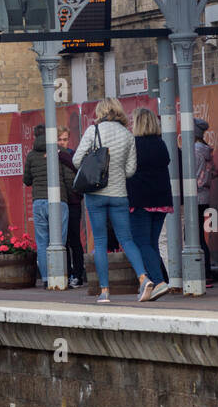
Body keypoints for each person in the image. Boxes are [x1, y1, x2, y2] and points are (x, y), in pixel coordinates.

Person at [72, 97, 150, 304]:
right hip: (119, 195)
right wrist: (116, 171)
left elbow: (76, 160)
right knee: (126, 239)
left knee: (100, 241)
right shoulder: (128, 135)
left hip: (96, 195)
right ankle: (143, 278)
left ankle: (105, 292)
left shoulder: (93, 131)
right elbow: (131, 170)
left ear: (100, 112)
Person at [126, 107, 172, 302]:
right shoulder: (161, 144)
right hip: (161, 201)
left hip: (140, 201)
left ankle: (159, 282)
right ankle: (152, 285)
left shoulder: (133, 145)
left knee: (141, 243)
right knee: (151, 243)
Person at [23, 125, 74, 286]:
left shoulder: (31, 156)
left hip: (39, 202)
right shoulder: (59, 152)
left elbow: (27, 180)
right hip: (59, 201)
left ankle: (46, 279)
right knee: (60, 241)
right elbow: (69, 178)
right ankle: (60, 278)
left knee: (42, 242)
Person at [57, 126, 85, 287]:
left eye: (65, 139)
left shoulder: (72, 155)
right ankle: (66, 273)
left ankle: (78, 274)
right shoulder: (51, 156)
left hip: (73, 202)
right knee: (62, 241)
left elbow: (77, 167)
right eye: (59, 139)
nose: (62, 142)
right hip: (59, 203)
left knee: (75, 240)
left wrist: (60, 154)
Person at [194, 120, 215, 286]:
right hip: (205, 196)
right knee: (200, 236)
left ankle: (201, 273)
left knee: (193, 237)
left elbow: (191, 175)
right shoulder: (207, 150)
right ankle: (207, 273)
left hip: (193, 196)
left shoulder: (195, 151)